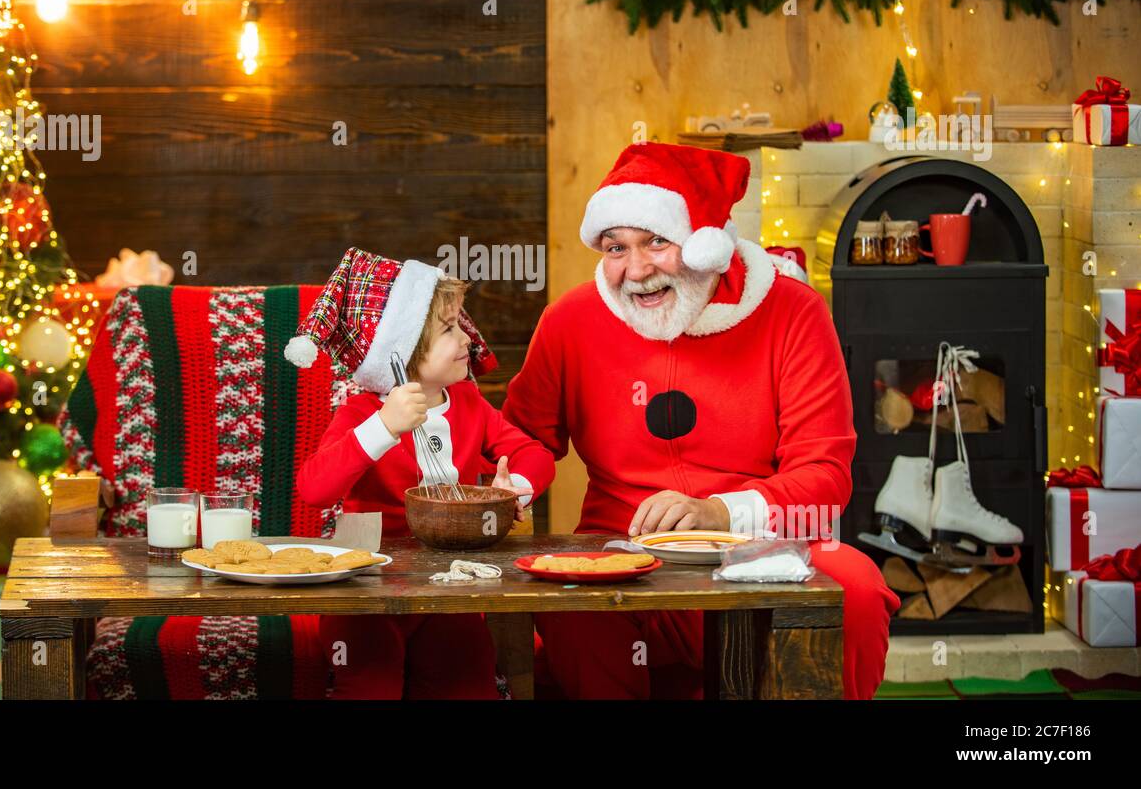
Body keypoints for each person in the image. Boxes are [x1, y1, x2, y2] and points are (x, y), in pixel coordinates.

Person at [502, 141, 901, 699]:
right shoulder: (570, 321)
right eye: (616, 248)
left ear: (707, 245)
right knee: (570, 602)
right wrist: (511, 480)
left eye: (657, 242)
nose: (636, 271)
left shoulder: (793, 313)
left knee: (854, 590)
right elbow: (520, 438)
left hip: (768, 546)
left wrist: (718, 511)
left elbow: (826, 477)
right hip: (621, 550)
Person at [285, 246, 555, 698]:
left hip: (450, 583)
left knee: (468, 683)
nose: (468, 339)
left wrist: (516, 490)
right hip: (366, 587)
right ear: (401, 347)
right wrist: (383, 427)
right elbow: (314, 488)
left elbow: (535, 454)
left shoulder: (470, 405)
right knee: (368, 685)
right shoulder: (362, 413)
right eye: (450, 329)